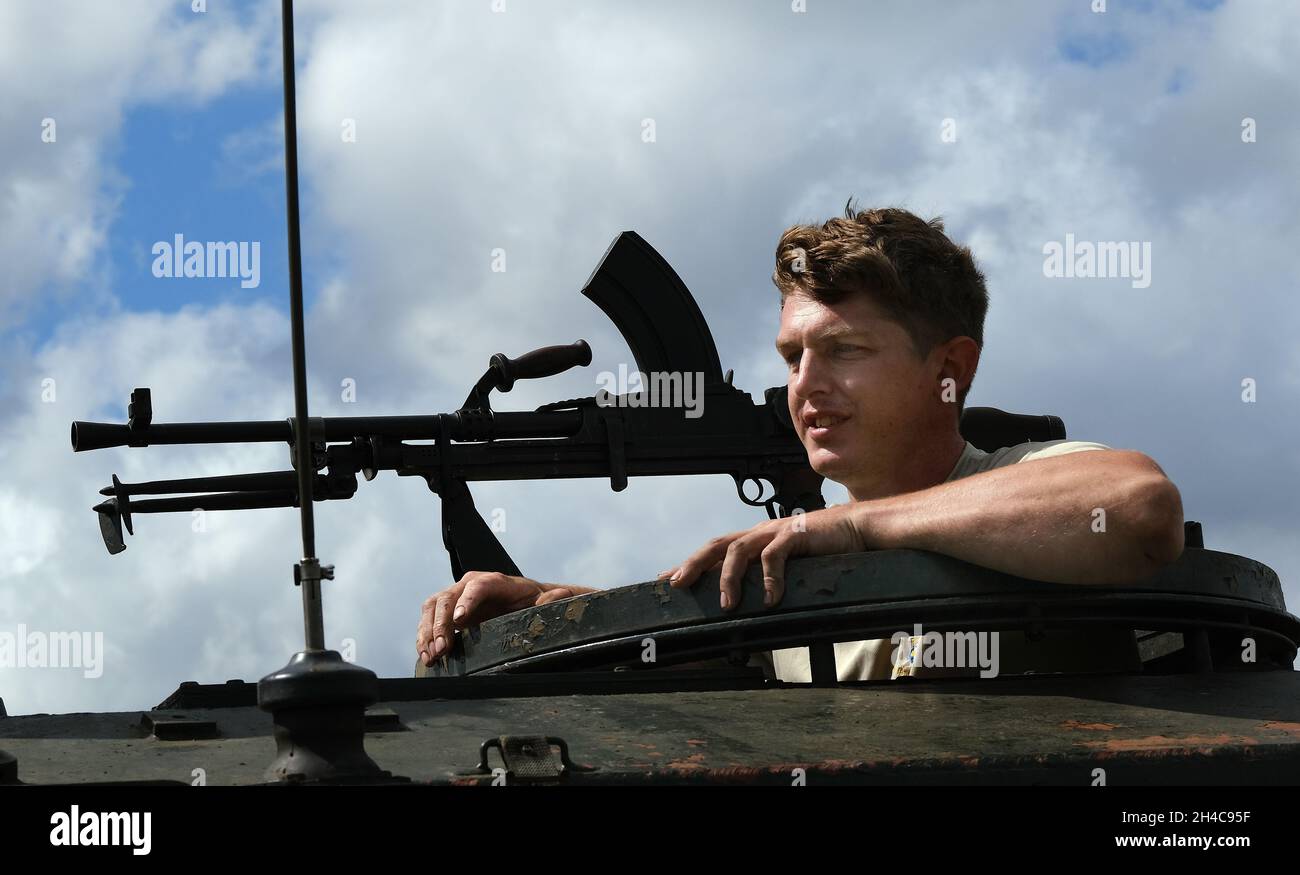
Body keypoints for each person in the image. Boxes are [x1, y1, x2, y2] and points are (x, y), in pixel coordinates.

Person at [415, 203, 1184, 680]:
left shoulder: (1027, 479)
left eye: (845, 350)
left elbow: (1139, 506)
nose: (805, 386)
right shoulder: (799, 567)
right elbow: (700, 640)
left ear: (948, 368)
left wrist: (846, 526)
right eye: (792, 357)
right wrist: (549, 607)